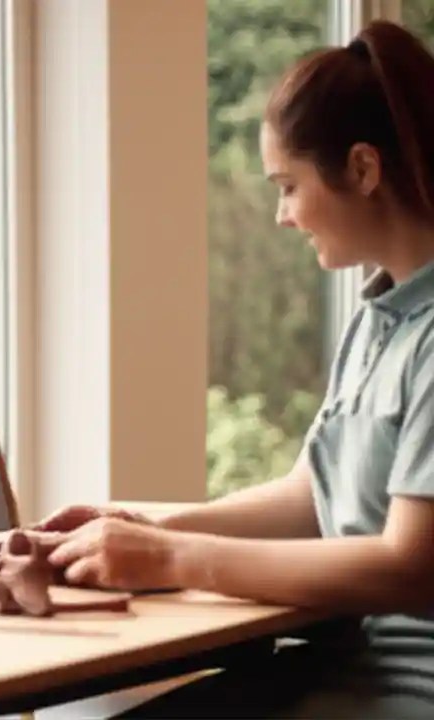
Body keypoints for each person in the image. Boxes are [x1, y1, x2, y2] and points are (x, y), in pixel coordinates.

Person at [29, 20, 434, 719]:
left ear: (364, 170)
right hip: (338, 665)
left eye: (287, 186)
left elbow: (411, 565)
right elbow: (313, 499)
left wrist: (172, 558)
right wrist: (145, 528)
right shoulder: (378, 319)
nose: (281, 215)